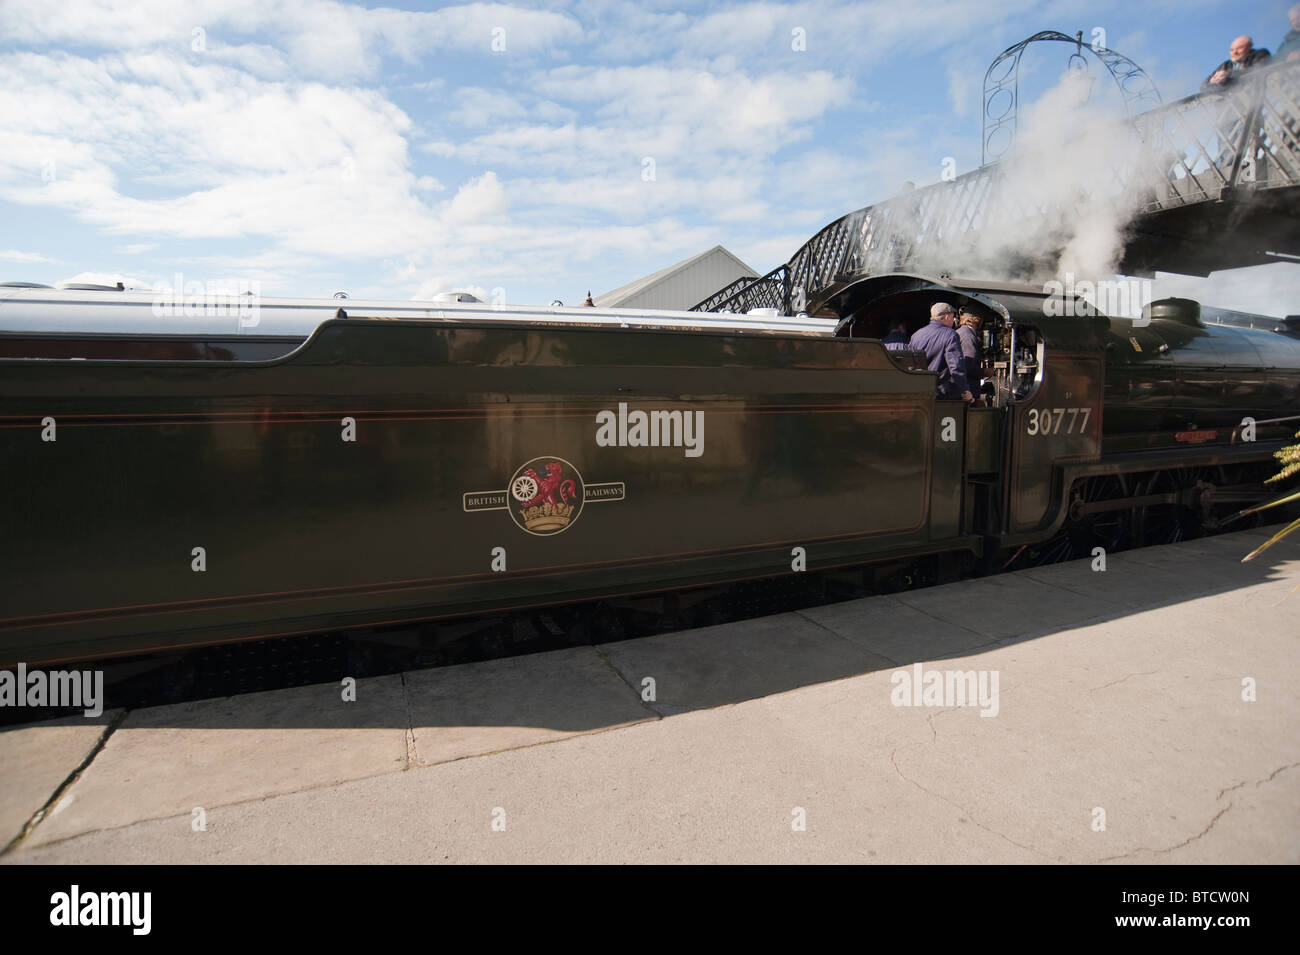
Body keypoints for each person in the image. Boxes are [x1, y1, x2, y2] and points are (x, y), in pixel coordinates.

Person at [908, 302, 973, 402]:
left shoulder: (916, 335)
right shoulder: (951, 335)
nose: (954, 320)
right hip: (943, 395)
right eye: (953, 317)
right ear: (947, 317)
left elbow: (909, 363)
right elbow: (955, 366)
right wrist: (965, 390)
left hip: (920, 394)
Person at [1202, 36, 1271, 90]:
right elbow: (1203, 86)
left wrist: (1227, 76)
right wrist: (1212, 81)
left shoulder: (1260, 54)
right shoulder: (1226, 65)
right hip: (1231, 104)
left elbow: (1257, 70)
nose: (1234, 52)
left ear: (1249, 47)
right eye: (1232, 50)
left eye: (1239, 48)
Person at [956, 307, 985, 397]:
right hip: (968, 387)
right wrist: (984, 372)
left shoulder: (960, 331)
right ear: (976, 320)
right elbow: (968, 364)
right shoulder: (968, 335)